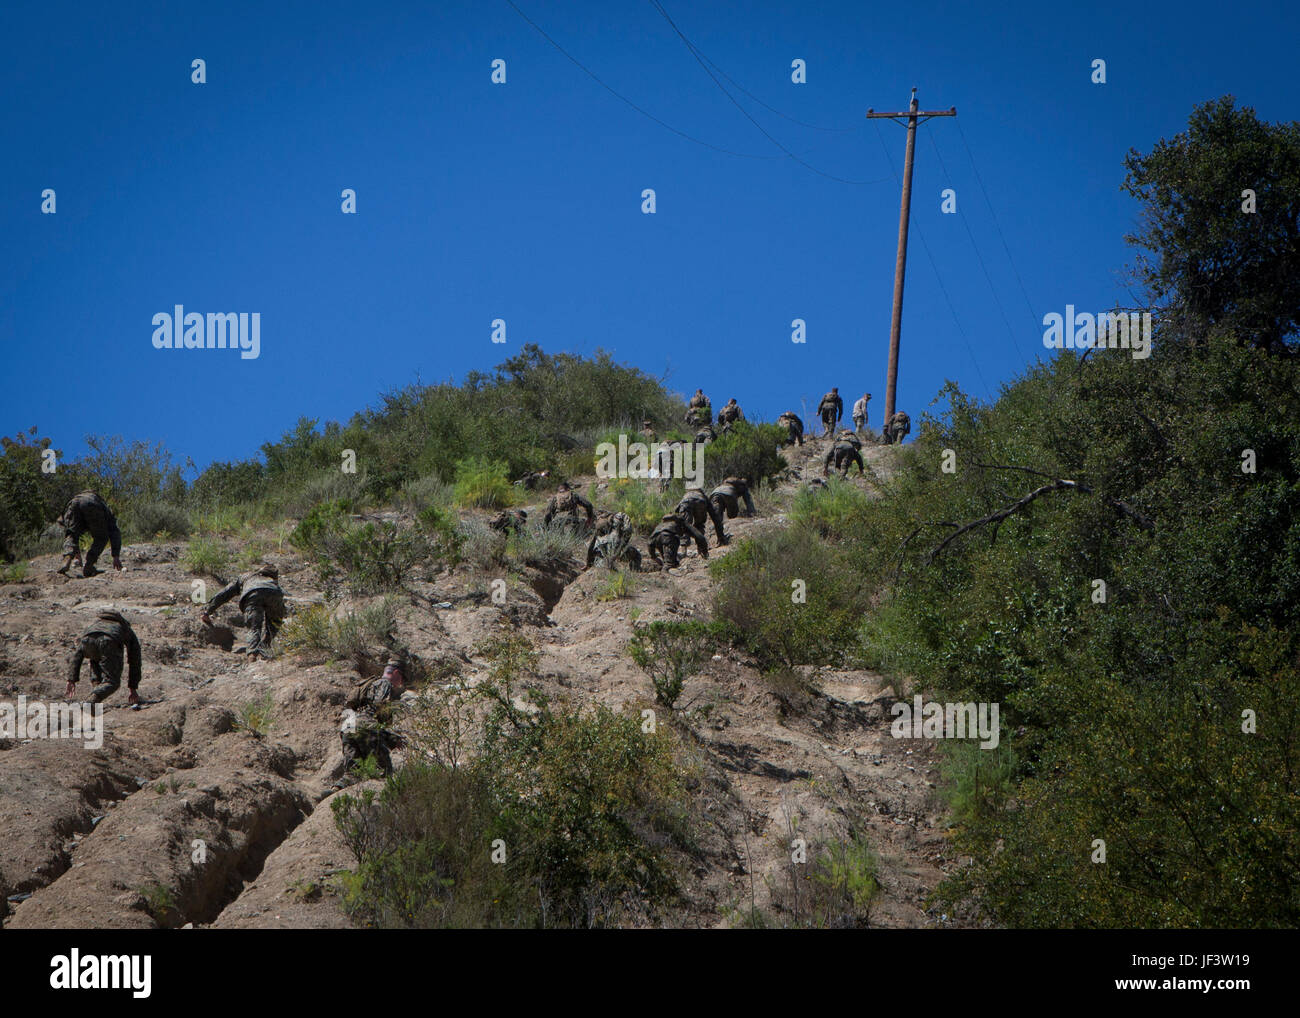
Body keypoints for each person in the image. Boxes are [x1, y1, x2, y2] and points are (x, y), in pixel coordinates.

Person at [334, 658, 408, 789]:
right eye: (402, 678)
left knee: (352, 772)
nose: (401, 683)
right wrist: (391, 737)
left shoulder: (367, 684)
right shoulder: (385, 684)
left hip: (348, 725)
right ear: (396, 673)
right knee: (384, 770)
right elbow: (377, 709)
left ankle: (336, 791)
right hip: (365, 725)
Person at [200, 564, 285, 659]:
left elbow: (224, 594)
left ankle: (252, 654)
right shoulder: (272, 581)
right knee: (274, 623)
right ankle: (264, 647)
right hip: (275, 593)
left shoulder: (246, 576)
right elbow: (280, 610)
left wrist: (207, 611)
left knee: (254, 626)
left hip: (253, 594)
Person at [66, 609, 141, 705]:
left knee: (96, 665)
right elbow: (135, 659)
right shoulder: (124, 627)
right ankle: (92, 700)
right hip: (108, 641)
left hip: (88, 641)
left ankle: (94, 700)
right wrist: (133, 688)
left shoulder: (93, 626)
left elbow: (78, 653)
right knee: (112, 682)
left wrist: (71, 679)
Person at [56, 491, 122, 576]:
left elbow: (70, 530)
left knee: (72, 534)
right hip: (92, 504)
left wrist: (75, 553)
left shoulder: (80, 497)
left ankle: (67, 558)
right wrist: (116, 556)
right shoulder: (103, 506)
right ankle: (89, 565)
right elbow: (114, 531)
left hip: (74, 502)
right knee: (101, 537)